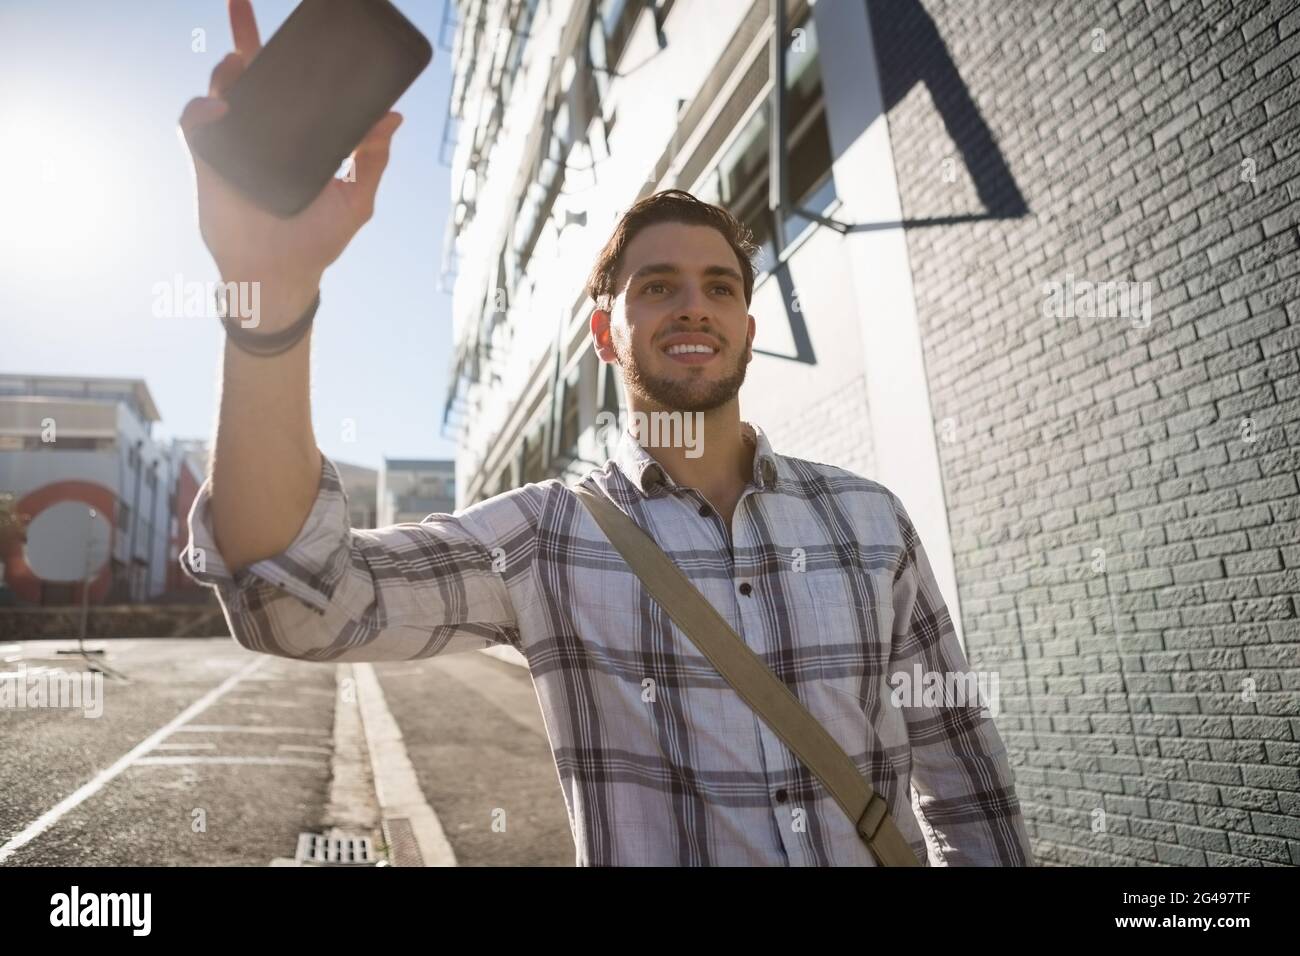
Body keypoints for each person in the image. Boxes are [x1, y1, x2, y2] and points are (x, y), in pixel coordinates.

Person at [178, 0, 1033, 867]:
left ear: (745, 323)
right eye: (657, 286)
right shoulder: (545, 536)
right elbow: (295, 605)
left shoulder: (871, 521)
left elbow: (966, 776)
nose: (695, 302)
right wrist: (270, 297)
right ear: (605, 334)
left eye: (720, 287)